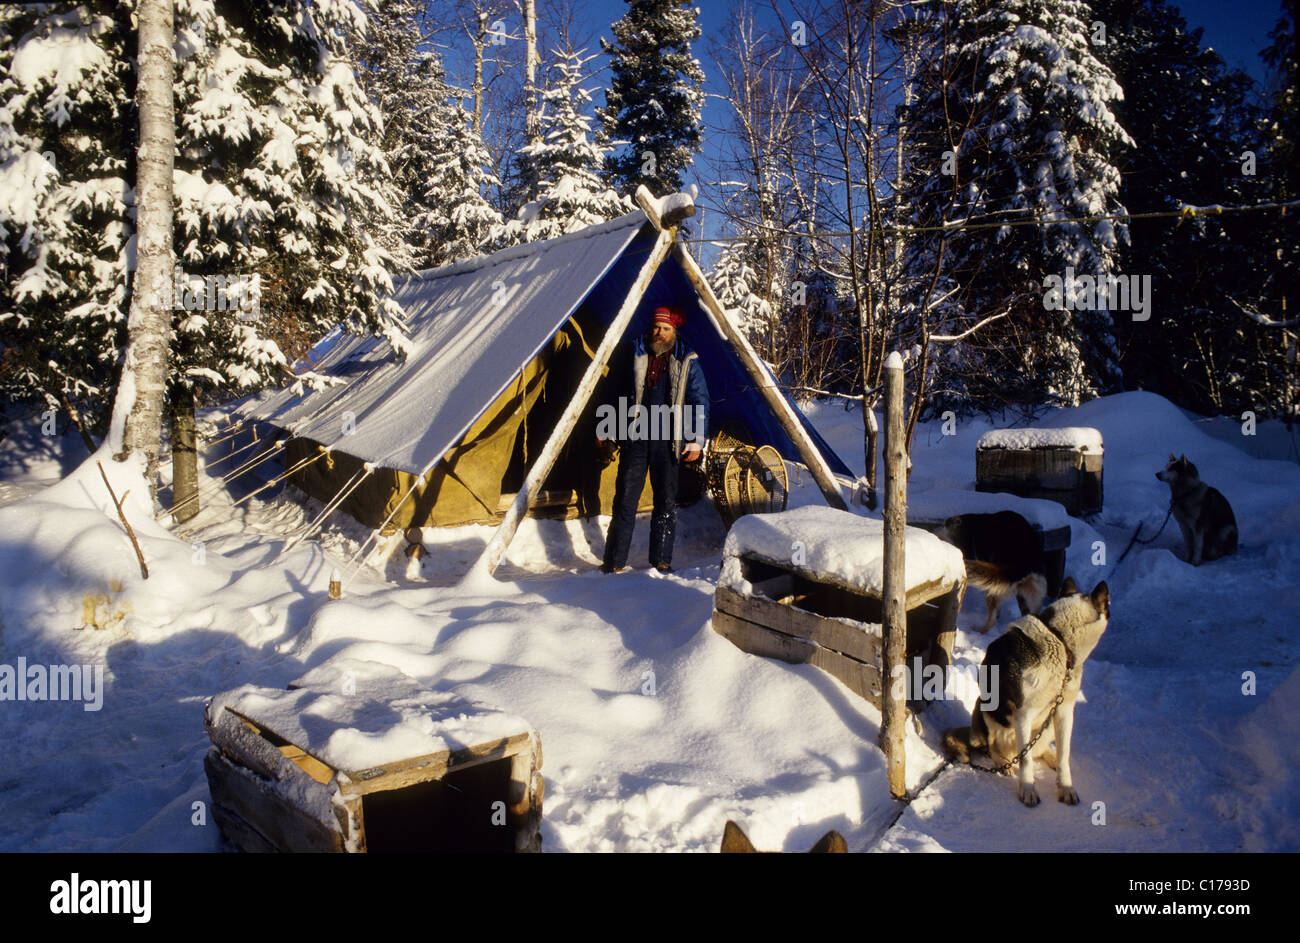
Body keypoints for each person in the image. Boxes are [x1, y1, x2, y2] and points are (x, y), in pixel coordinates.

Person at [599, 305, 709, 573]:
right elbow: (612, 391)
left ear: (674, 331)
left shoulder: (687, 358)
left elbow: (699, 400)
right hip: (635, 435)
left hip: (668, 439)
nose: (659, 333)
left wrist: (696, 439)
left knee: (665, 500)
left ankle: (661, 560)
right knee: (625, 497)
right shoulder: (634, 351)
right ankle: (614, 561)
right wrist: (604, 427)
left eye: (665, 329)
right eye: (656, 327)